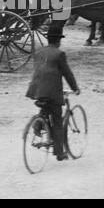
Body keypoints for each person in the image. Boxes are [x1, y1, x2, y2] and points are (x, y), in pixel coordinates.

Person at [25, 26, 80, 161]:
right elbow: (67, 73)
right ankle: (59, 153)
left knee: (45, 108)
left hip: (37, 90)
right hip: (52, 92)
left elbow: (41, 72)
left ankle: (38, 124)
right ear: (58, 41)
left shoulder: (39, 52)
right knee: (57, 121)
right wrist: (75, 88)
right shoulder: (59, 54)